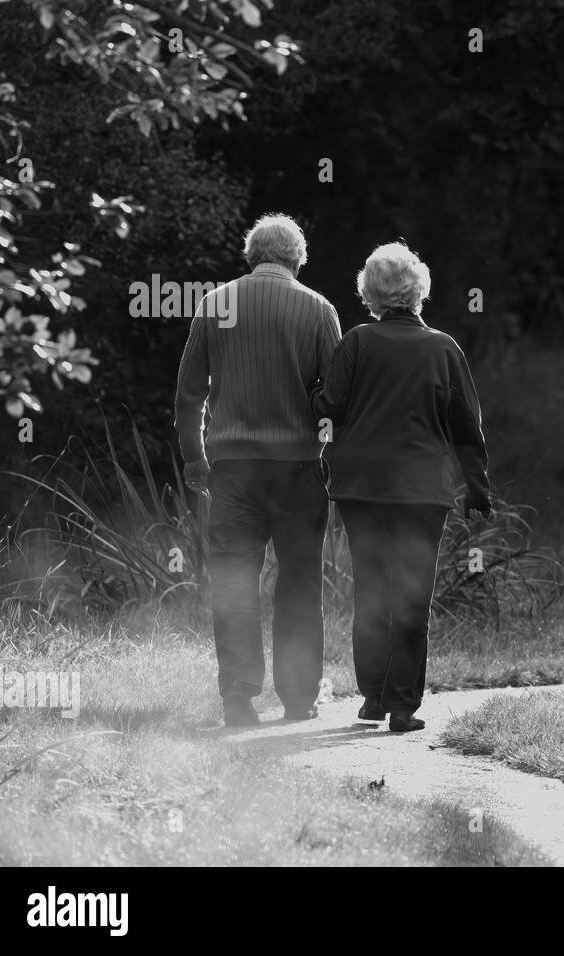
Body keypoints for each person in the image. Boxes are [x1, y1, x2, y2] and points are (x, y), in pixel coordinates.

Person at [312, 241, 491, 733]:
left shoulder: (357, 342)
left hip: (361, 489)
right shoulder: (443, 348)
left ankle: (372, 696)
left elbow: (329, 407)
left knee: (370, 589)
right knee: (412, 596)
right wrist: (476, 486)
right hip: (420, 492)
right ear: (418, 290)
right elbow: (466, 426)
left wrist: (313, 393)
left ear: (369, 292)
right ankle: (402, 706)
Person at [174, 213, 340, 727]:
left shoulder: (215, 304)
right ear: (297, 259)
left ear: (250, 256)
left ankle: (239, 698)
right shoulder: (318, 309)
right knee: (299, 583)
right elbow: (335, 399)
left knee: (233, 580)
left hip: (233, 471)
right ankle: (297, 697)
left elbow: (189, 394)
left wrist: (194, 457)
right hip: (297, 470)